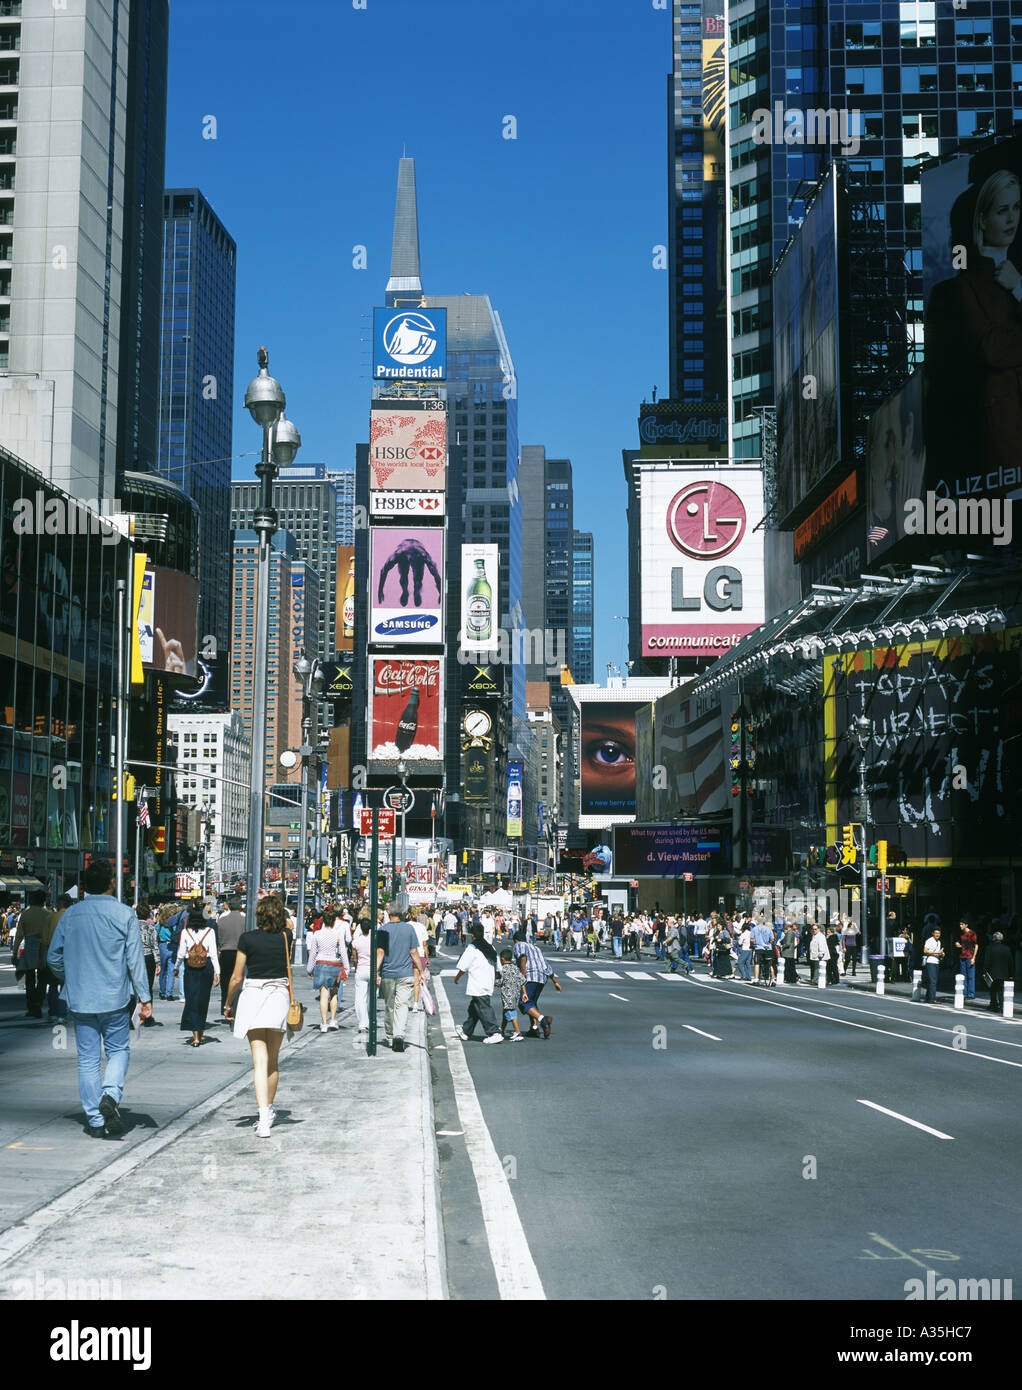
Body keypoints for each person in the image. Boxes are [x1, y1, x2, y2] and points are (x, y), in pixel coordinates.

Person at [46, 858, 153, 1138]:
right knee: (118, 1050)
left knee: (88, 1059)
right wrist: (145, 996)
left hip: (80, 998)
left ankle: (95, 1120)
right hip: (115, 997)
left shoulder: (70, 915)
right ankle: (110, 1094)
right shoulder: (124, 914)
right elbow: (134, 960)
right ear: (111, 884)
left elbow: (53, 956)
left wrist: (69, 979)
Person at [224, 894, 293, 1138]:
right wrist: (274, 902)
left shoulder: (247, 939)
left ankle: (263, 1117)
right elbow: (291, 924)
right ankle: (269, 1111)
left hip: (253, 995)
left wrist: (228, 1002)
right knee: (273, 1060)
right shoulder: (286, 936)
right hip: (278, 995)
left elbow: (236, 977)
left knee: (259, 1061)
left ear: (258, 915)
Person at [375, 905, 423, 1053]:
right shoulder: (409, 929)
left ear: (388, 913)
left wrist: (375, 972)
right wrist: (421, 971)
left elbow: (380, 952)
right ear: (403, 913)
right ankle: (399, 1035)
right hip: (406, 973)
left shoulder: (383, 930)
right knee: (402, 1005)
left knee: (389, 1006)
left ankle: (390, 1036)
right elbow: (414, 952)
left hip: (388, 973)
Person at [177, 904, 220, 1046]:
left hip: (190, 967)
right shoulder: (210, 931)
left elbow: (181, 954)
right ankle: (200, 1033)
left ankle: (195, 1036)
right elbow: (213, 954)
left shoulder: (185, 932)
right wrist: (217, 972)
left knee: (192, 1000)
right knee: (203, 999)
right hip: (206, 967)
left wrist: (176, 967)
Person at [12, 888, 59, 1019]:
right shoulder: (48, 914)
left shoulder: (25, 915)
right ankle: (38, 1002)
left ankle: (31, 1006)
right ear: (43, 900)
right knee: (43, 979)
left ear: (31, 900)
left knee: (30, 979)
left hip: (29, 948)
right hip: (44, 948)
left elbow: (19, 935)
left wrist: (14, 953)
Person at [454, 932, 502, 1043]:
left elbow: (463, 966)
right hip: (488, 981)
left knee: (484, 1007)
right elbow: (498, 966)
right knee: (475, 1008)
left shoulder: (472, 948)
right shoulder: (490, 946)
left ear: (472, 935)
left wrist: (457, 978)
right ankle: (466, 1031)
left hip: (478, 982)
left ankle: (494, 1032)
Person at [512, 933, 561, 1038]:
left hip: (530, 975)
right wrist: (555, 981)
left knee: (523, 1002)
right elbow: (546, 965)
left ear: (516, 940)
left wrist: (523, 972)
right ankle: (534, 1028)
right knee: (532, 1002)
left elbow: (522, 956)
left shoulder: (519, 944)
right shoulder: (536, 948)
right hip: (542, 977)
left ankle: (543, 1019)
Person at [306, 910, 349, 1032]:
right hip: (335, 964)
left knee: (323, 995)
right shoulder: (337, 934)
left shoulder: (317, 935)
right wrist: (346, 967)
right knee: (334, 993)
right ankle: (333, 1020)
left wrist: (310, 969)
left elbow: (313, 954)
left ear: (323, 920)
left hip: (321, 964)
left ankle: (324, 1023)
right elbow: (343, 952)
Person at [216, 896, 246, 1016]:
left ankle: (225, 1005)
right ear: (240, 906)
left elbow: (219, 937)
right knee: (239, 980)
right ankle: (237, 1006)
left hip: (225, 953)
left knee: (226, 981)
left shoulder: (222, 920)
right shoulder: (246, 919)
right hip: (241, 953)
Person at [135, 901, 160, 1027]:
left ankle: (132, 1015)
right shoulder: (151, 927)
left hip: (135, 957)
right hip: (148, 957)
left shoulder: (132, 926)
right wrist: (158, 963)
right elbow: (155, 945)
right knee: (148, 987)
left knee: (133, 987)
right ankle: (148, 1016)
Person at [497, 948, 528, 1040]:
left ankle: (517, 1031)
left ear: (502, 959)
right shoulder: (515, 968)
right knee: (507, 1010)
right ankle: (501, 1029)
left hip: (507, 994)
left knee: (510, 1012)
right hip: (516, 993)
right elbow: (522, 981)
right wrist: (524, 993)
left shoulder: (502, 970)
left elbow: (499, 982)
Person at [350, 916, 373, 1034]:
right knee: (370, 997)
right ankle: (369, 1019)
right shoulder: (374, 940)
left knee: (360, 998)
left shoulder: (356, 942)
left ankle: (363, 1024)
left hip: (361, 969)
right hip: (372, 969)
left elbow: (355, 959)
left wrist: (356, 967)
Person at [984, 931, 1014, 1012]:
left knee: (992, 989)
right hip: (1004, 973)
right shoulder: (1007, 949)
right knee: (1001, 990)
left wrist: (985, 971)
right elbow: (1010, 962)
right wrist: (1011, 974)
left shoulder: (989, 948)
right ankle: (1001, 1005)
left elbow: (987, 961)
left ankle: (993, 1004)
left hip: (992, 973)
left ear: (993, 939)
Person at [957, 918, 978, 1001]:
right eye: (960, 924)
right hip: (962, 956)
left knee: (971, 976)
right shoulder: (961, 934)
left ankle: (971, 993)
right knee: (963, 976)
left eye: (962, 924)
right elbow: (961, 944)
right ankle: (964, 993)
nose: (960, 926)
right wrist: (958, 944)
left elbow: (976, 945)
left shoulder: (972, 934)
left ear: (966, 925)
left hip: (969, 956)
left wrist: (974, 957)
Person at [922, 925, 944, 1003]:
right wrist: (936, 952)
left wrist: (941, 954)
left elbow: (938, 952)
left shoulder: (939, 942)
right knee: (933, 980)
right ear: (933, 933)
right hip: (930, 961)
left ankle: (928, 998)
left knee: (932, 980)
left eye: (939, 933)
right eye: (936, 933)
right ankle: (932, 998)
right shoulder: (929, 940)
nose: (937, 935)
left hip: (936, 962)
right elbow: (925, 950)